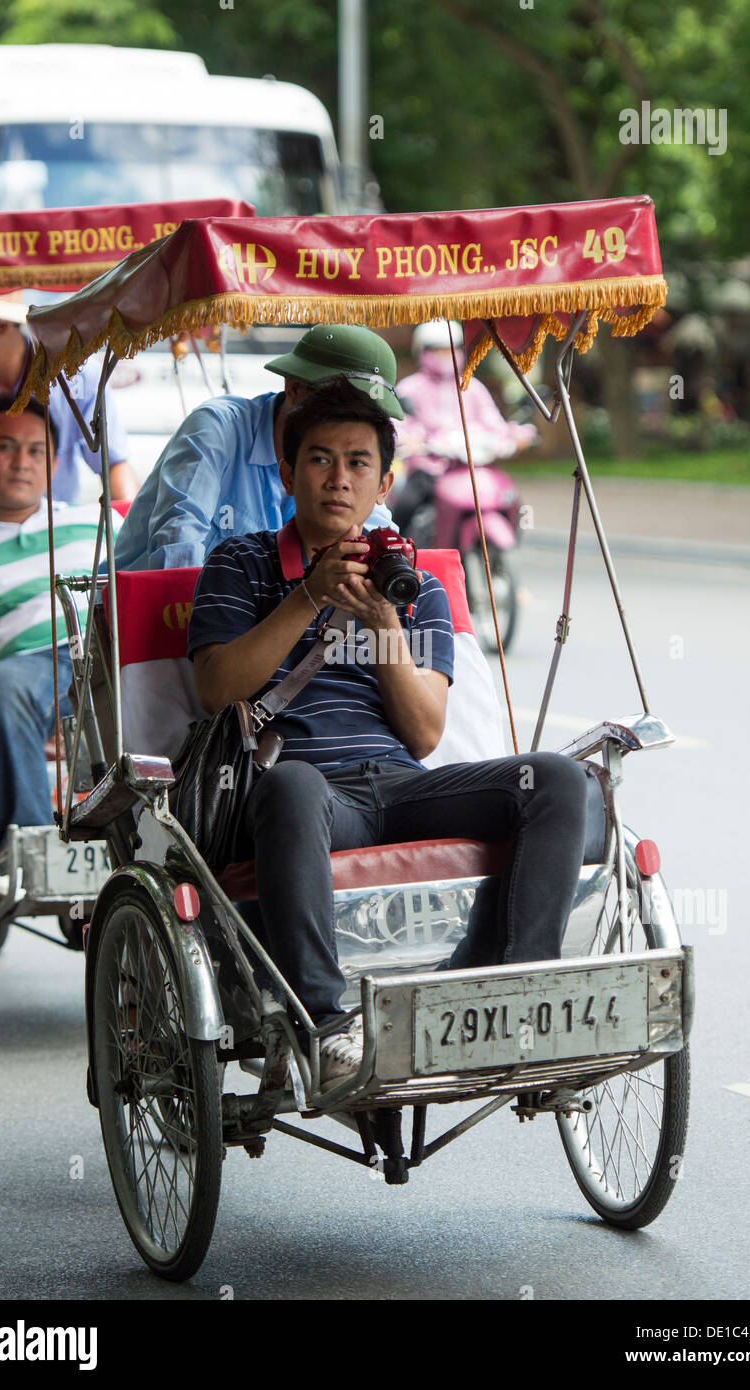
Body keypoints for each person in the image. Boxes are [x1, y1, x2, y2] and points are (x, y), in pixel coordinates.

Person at [187, 380, 590, 1086]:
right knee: (291, 785)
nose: (338, 478)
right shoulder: (240, 562)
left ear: (384, 481)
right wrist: (308, 595)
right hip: (299, 794)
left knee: (556, 778)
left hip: (400, 786)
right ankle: (324, 1026)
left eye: (357, 462)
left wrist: (383, 628)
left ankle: (515, 998)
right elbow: (219, 688)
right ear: (287, 472)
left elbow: (425, 732)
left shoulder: (414, 584)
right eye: (318, 459)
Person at [0, 393, 122, 894]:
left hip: (111, 653)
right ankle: (31, 859)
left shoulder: (95, 522)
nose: (21, 462)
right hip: (25, 670)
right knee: (0, 688)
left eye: (35, 450)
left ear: (55, 461)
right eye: (6, 447)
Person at [113, 323, 404, 572]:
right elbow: (176, 549)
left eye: (367, 418)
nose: (350, 428)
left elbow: (376, 535)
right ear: (294, 389)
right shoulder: (218, 429)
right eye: (335, 408)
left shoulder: (344, 477)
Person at [0, 293, 137, 505]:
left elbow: (113, 464)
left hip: (49, 533)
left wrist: (127, 526)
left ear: (1, 324)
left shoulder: (77, 377)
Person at [392, 320, 537, 531]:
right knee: (406, 506)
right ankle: (396, 552)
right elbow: (397, 423)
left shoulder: (473, 387)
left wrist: (515, 435)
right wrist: (409, 439)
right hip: (427, 469)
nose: (445, 356)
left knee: (509, 497)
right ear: (422, 351)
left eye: (451, 349)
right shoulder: (409, 388)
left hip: (470, 470)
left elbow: (494, 422)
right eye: (438, 350)